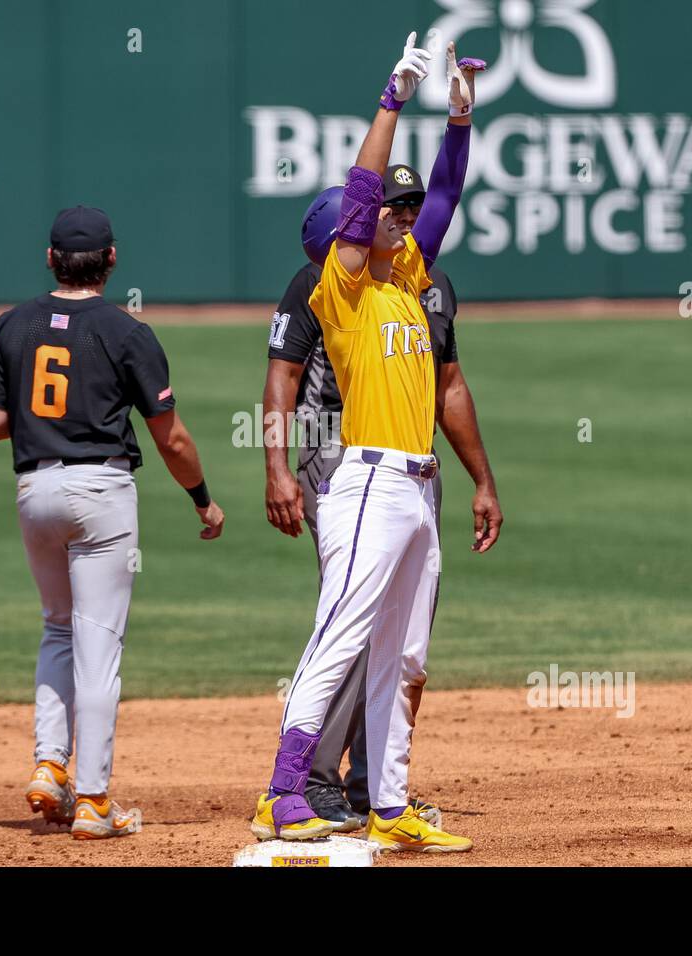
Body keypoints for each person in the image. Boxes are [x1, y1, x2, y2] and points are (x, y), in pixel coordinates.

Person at [252, 34, 493, 851]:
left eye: (398, 214)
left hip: (420, 487)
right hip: (367, 485)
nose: (398, 217)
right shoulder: (344, 290)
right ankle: (282, 791)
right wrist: (391, 100)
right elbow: (362, 192)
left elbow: (449, 194)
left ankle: (388, 805)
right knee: (341, 635)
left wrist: (458, 116)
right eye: (386, 215)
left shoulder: (410, 276)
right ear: (342, 239)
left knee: (402, 654)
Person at [0, 205, 225, 839]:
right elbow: (171, 439)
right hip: (101, 490)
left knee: (58, 629)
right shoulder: (126, 332)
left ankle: (47, 767)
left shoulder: (12, 325)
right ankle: (91, 800)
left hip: (35, 491)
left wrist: (30, 415)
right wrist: (202, 499)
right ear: (112, 259)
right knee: (99, 646)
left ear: (50, 258)